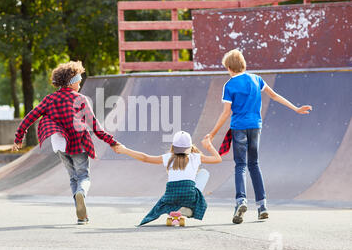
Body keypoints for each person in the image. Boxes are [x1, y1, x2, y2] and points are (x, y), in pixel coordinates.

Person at [204, 49, 312, 224]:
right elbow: (275, 96)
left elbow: (225, 113)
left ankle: (241, 201)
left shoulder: (229, 85)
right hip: (255, 127)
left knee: (240, 165)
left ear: (230, 67)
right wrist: (296, 108)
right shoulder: (256, 79)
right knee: (254, 164)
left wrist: (212, 133)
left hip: (239, 128)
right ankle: (262, 207)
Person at [12, 61, 119, 225]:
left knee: (72, 178)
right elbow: (95, 126)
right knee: (83, 175)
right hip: (79, 143)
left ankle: (81, 215)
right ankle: (81, 194)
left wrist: (19, 137)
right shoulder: (81, 99)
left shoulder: (49, 99)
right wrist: (111, 141)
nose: (80, 83)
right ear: (72, 82)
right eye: (79, 80)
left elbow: (30, 117)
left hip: (60, 144)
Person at [114, 131, 222, 226]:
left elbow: (145, 158)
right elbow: (218, 159)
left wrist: (125, 150)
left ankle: (175, 210)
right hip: (189, 194)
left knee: (171, 200)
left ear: (173, 146)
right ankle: (187, 209)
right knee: (203, 173)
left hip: (171, 195)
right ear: (190, 146)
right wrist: (209, 146)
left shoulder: (168, 157)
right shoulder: (196, 157)